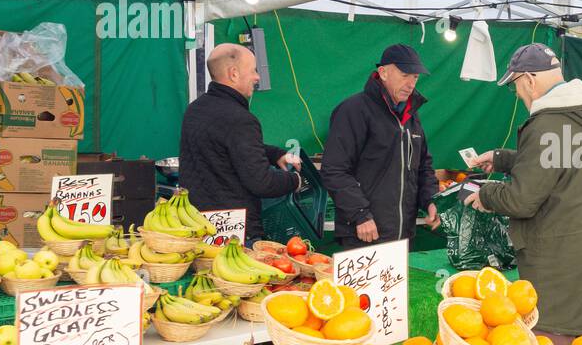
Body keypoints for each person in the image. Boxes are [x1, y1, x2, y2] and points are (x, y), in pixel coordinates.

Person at [464, 44, 582, 345]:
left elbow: (522, 200)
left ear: (530, 80)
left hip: (558, 266)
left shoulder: (547, 122)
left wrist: (487, 194)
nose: (518, 94)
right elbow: (562, 162)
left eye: (516, 86)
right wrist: (504, 159)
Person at [322, 43, 441, 249]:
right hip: (365, 233)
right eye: (405, 75)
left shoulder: (412, 117)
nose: (411, 83)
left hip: (404, 234)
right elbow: (334, 169)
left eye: (415, 77)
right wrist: (359, 214)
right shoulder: (353, 110)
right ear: (383, 73)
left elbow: (423, 167)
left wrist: (430, 200)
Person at [179, 43, 300, 242]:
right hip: (236, 235)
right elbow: (261, 183)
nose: (257, 77)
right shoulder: (240, 119)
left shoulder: (195, 109)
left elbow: (226, 148)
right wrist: (295, 180)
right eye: (253, 70)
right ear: (234, 74)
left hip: (199, 228)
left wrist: (275, 153)